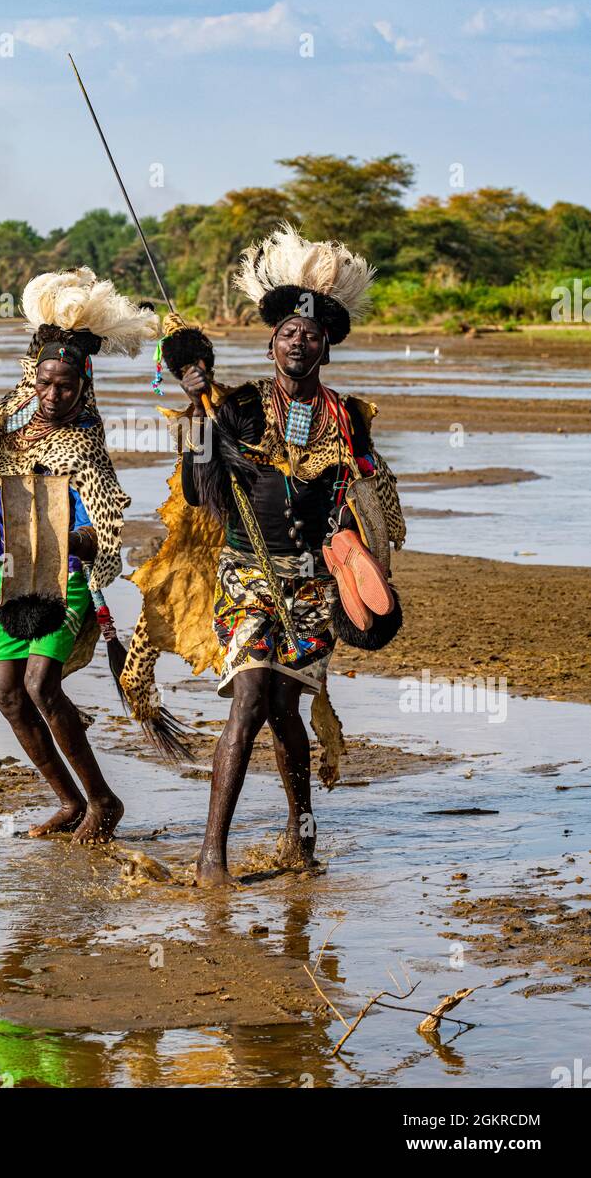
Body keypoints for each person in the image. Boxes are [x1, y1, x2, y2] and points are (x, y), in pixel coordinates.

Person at [122, 227, 406, 886]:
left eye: (310, 333)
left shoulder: (348, 420)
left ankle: (299, 834)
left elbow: (367, 499)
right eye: (286, 332)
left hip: (312, 585)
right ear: (271, 342)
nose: (298, 341)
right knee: (250, 698)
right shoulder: (239, 408)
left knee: (286, 710)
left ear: (325, 345)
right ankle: (212, 856)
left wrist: (372, 577)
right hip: (247, 574)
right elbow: (199, 489)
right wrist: (198, 407)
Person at [0, 267, 161, 843]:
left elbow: (108, 522)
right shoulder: (15, 433)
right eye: (47, 385)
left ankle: (103, 804)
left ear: (83, 386)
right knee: (7, 694)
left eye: (66, 386)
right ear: (34, 381)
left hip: (66, 582)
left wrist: (77, 542)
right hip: (13, 578)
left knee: (40, 685)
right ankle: (74, 801)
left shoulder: (84, 443)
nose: (55, 396)